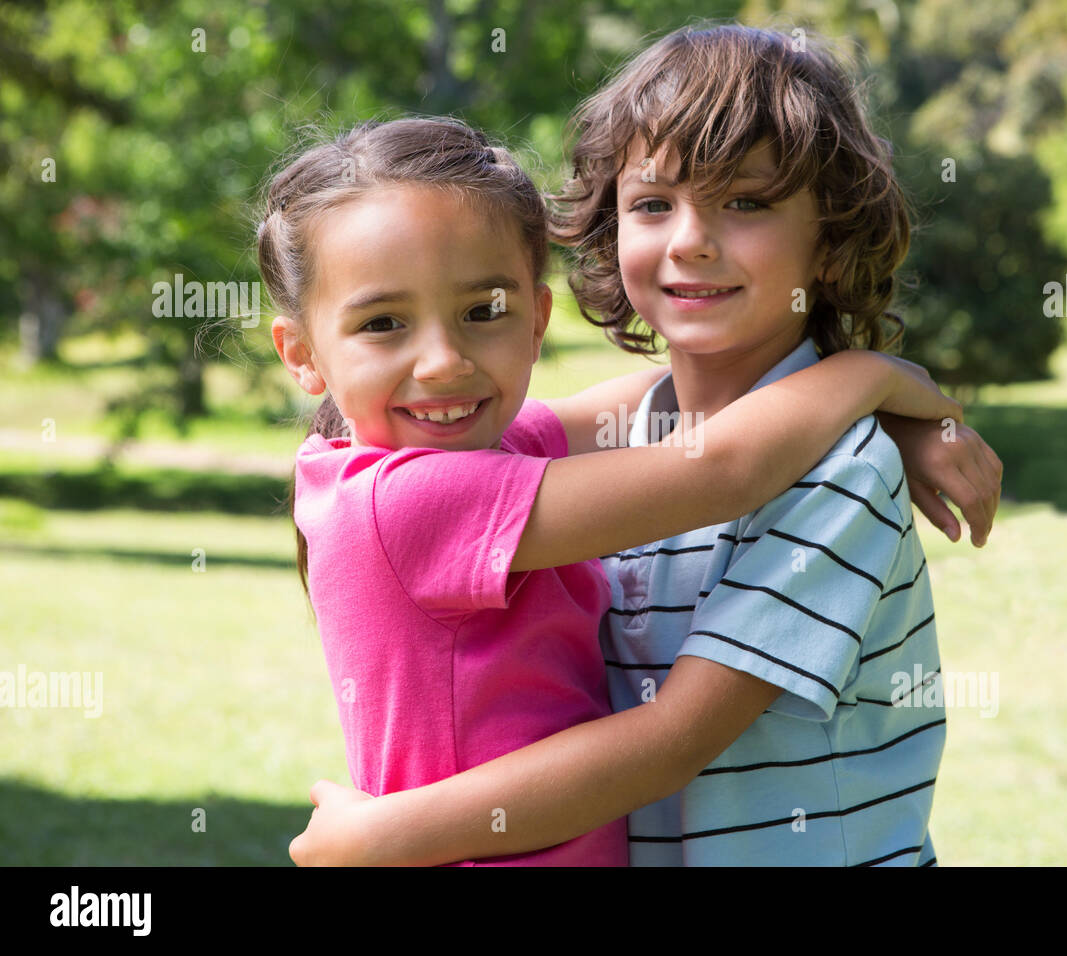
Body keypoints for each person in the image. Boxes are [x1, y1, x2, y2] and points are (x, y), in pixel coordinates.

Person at [260, 114, 971, 865]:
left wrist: (886, 414)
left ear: (537, 319)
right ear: (301, 355)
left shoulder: (475, 455)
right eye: (383, 323)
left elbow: (661, 402)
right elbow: (722, 467)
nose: (442, 362)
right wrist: (871, 375)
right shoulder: (408, 499)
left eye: (482, 312)